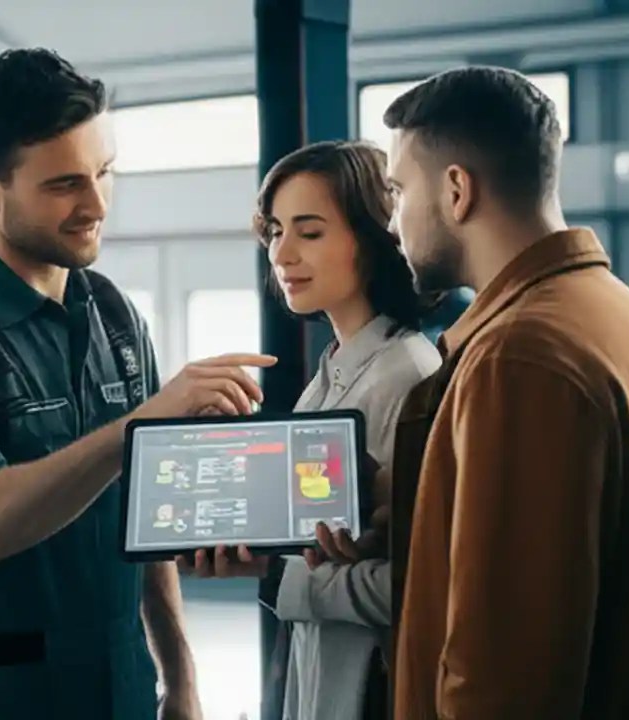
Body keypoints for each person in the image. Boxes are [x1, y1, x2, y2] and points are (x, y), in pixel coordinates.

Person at [0, 48, 275, 720]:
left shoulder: (112, 314)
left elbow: (142, 513)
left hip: (124, 687)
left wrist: (181, 678)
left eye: (105, 172)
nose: (96, 203)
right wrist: (141, 428)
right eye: (63, 185)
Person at [383, 66, 629, 719]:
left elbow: (504, 681)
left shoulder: (518, 359)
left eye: (399, 190)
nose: (393, 222)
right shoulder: (625, 316)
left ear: (457, 190)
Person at [181, 141, 441, 720]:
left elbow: (428, 582)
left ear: (376, 238)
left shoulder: (411, 377)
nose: (282, 252)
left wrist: (280, 579)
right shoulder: (333, 374)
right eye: (275, 230)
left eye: (310, 231)